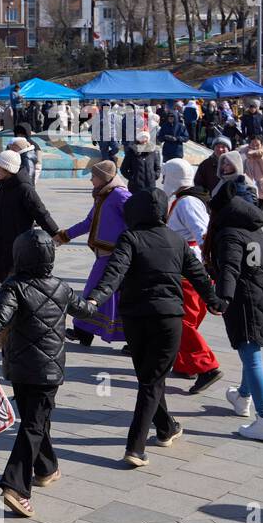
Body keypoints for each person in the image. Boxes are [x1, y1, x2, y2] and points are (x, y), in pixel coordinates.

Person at [82, 190, 222, 468]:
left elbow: (114, 272)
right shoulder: (176, 240)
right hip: (167, 319)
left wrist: (95, 298)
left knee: (149, 377)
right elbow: (198, 274)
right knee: (151, 381)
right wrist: (215, 302)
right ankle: (135, 447)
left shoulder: (130, 238)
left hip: (135, 319)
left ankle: (166, 427)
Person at [0, 231, 94, 517]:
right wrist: (96, 303)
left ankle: (47, 468)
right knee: (34, 424)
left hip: (19, 367)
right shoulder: (62, 287)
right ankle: (15, 486)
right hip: (48, 370)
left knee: (34, 420)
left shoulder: (15, 286)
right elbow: (84, 310)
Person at [206, 179, 263, 443]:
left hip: (246, 299)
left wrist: (222, 299)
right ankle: (242, 397)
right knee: (250, 350)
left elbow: (230, 268)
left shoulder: (229, 232)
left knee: (251, 356)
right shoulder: (252, 226)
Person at [161, 158, 222, 393]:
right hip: (186, 268)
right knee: (185, 321)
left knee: (180, 321)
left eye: (165, 176)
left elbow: (204, 234)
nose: (163, 180)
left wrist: (206, 266)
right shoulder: (183, 201)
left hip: (188, 271)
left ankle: (207, 367)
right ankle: (186, 363)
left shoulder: (187, 203)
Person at [0, 150, 59, 306]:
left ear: (8, 169)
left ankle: (16, 317)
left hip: (21, 246)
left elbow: (41, 212)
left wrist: (55, 232)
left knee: (17, 284)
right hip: (1, 245)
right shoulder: (0, 190)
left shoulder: (25, 190)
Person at [57, 160, 130, 348]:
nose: (91, 179)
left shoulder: (120, 195)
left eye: (94, 176)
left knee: (95, 293)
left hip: (115, 256)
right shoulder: (103, 196)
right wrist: (64, 236)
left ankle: (129, 338)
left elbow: (136, 218)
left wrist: (132, 245)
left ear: (104, 178)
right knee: (94, 293)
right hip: (103, 254)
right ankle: (84, 332)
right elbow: (89, 222)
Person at [121, 130, 161, 194]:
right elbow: (123, 169)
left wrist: (154, 176)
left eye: (146, 139)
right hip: (135, 187)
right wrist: (133, 178)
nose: (144, 141)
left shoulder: (154, 151)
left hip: (150, 186)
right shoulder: (131, 152)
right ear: (138, 140)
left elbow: (157, 167)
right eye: (142, 139)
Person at [239, 137, 263, 208]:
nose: (255, 147)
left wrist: (261, 158)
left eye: (257, 145)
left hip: (261, 186)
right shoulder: (243, 153)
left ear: (261, 145)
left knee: (259, 211)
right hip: (247, 186)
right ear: (249, 145)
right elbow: (240, 169)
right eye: (252, 144)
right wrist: (249, 157)